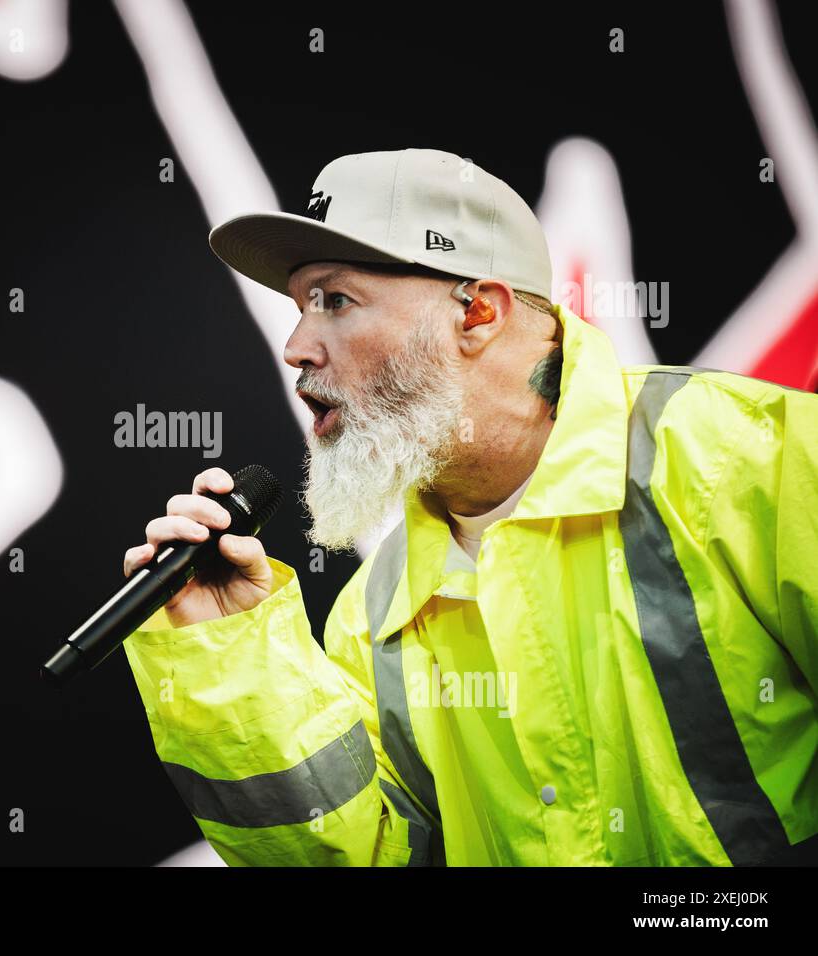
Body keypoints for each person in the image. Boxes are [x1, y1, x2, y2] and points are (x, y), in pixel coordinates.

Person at [121, 148, 818, 866]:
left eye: (334, 299)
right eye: (299, 308)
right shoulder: (374, 614)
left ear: (479, 312)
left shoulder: (746, 453)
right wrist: (229, 657)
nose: (296, 347)